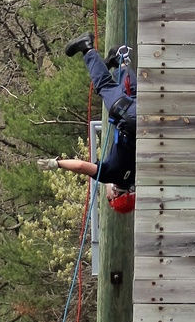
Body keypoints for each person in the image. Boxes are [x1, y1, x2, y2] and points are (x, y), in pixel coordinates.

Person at [37, 36, 137, 215]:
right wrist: (56, 164)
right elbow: (82, 166)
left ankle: (120, 62)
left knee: (131, 92)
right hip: (127, 118)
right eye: (108, 198)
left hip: (147, 121)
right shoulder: (110, 176)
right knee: (104, 85)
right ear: (114, 192)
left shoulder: (139, 175)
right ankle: (87, 48)